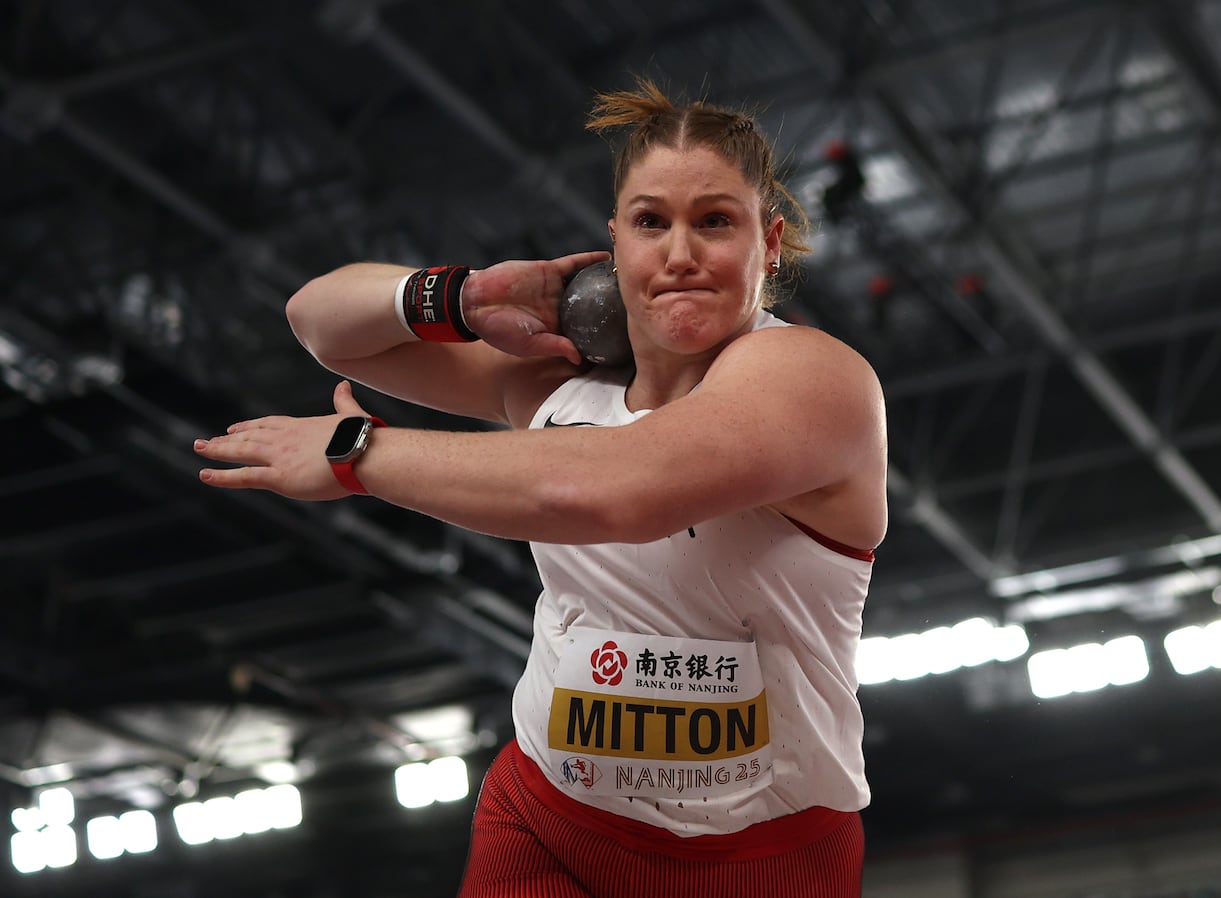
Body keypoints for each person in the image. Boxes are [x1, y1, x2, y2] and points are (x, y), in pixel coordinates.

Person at [194, 78, 887, 897]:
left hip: (759, 861)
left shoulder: (812, 379)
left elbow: (614, 491)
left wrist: (356, 452)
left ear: (769, 242)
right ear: (613, 243)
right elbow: (320, 322)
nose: (679, 254)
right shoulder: (556, 378)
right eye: (650, 222)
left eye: (715, 222)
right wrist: (463, 294)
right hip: (548, 821)